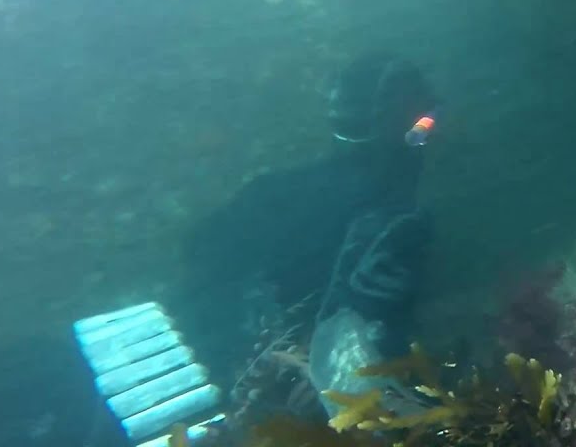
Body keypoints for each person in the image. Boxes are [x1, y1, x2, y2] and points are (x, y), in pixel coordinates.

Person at [183, 52, 437, 420]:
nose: (434, 132)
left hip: (235, 366)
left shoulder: (271, 192)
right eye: (426, 126)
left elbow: (201, 248)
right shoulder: (395, 217)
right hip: (297, 388)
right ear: (406, 131)